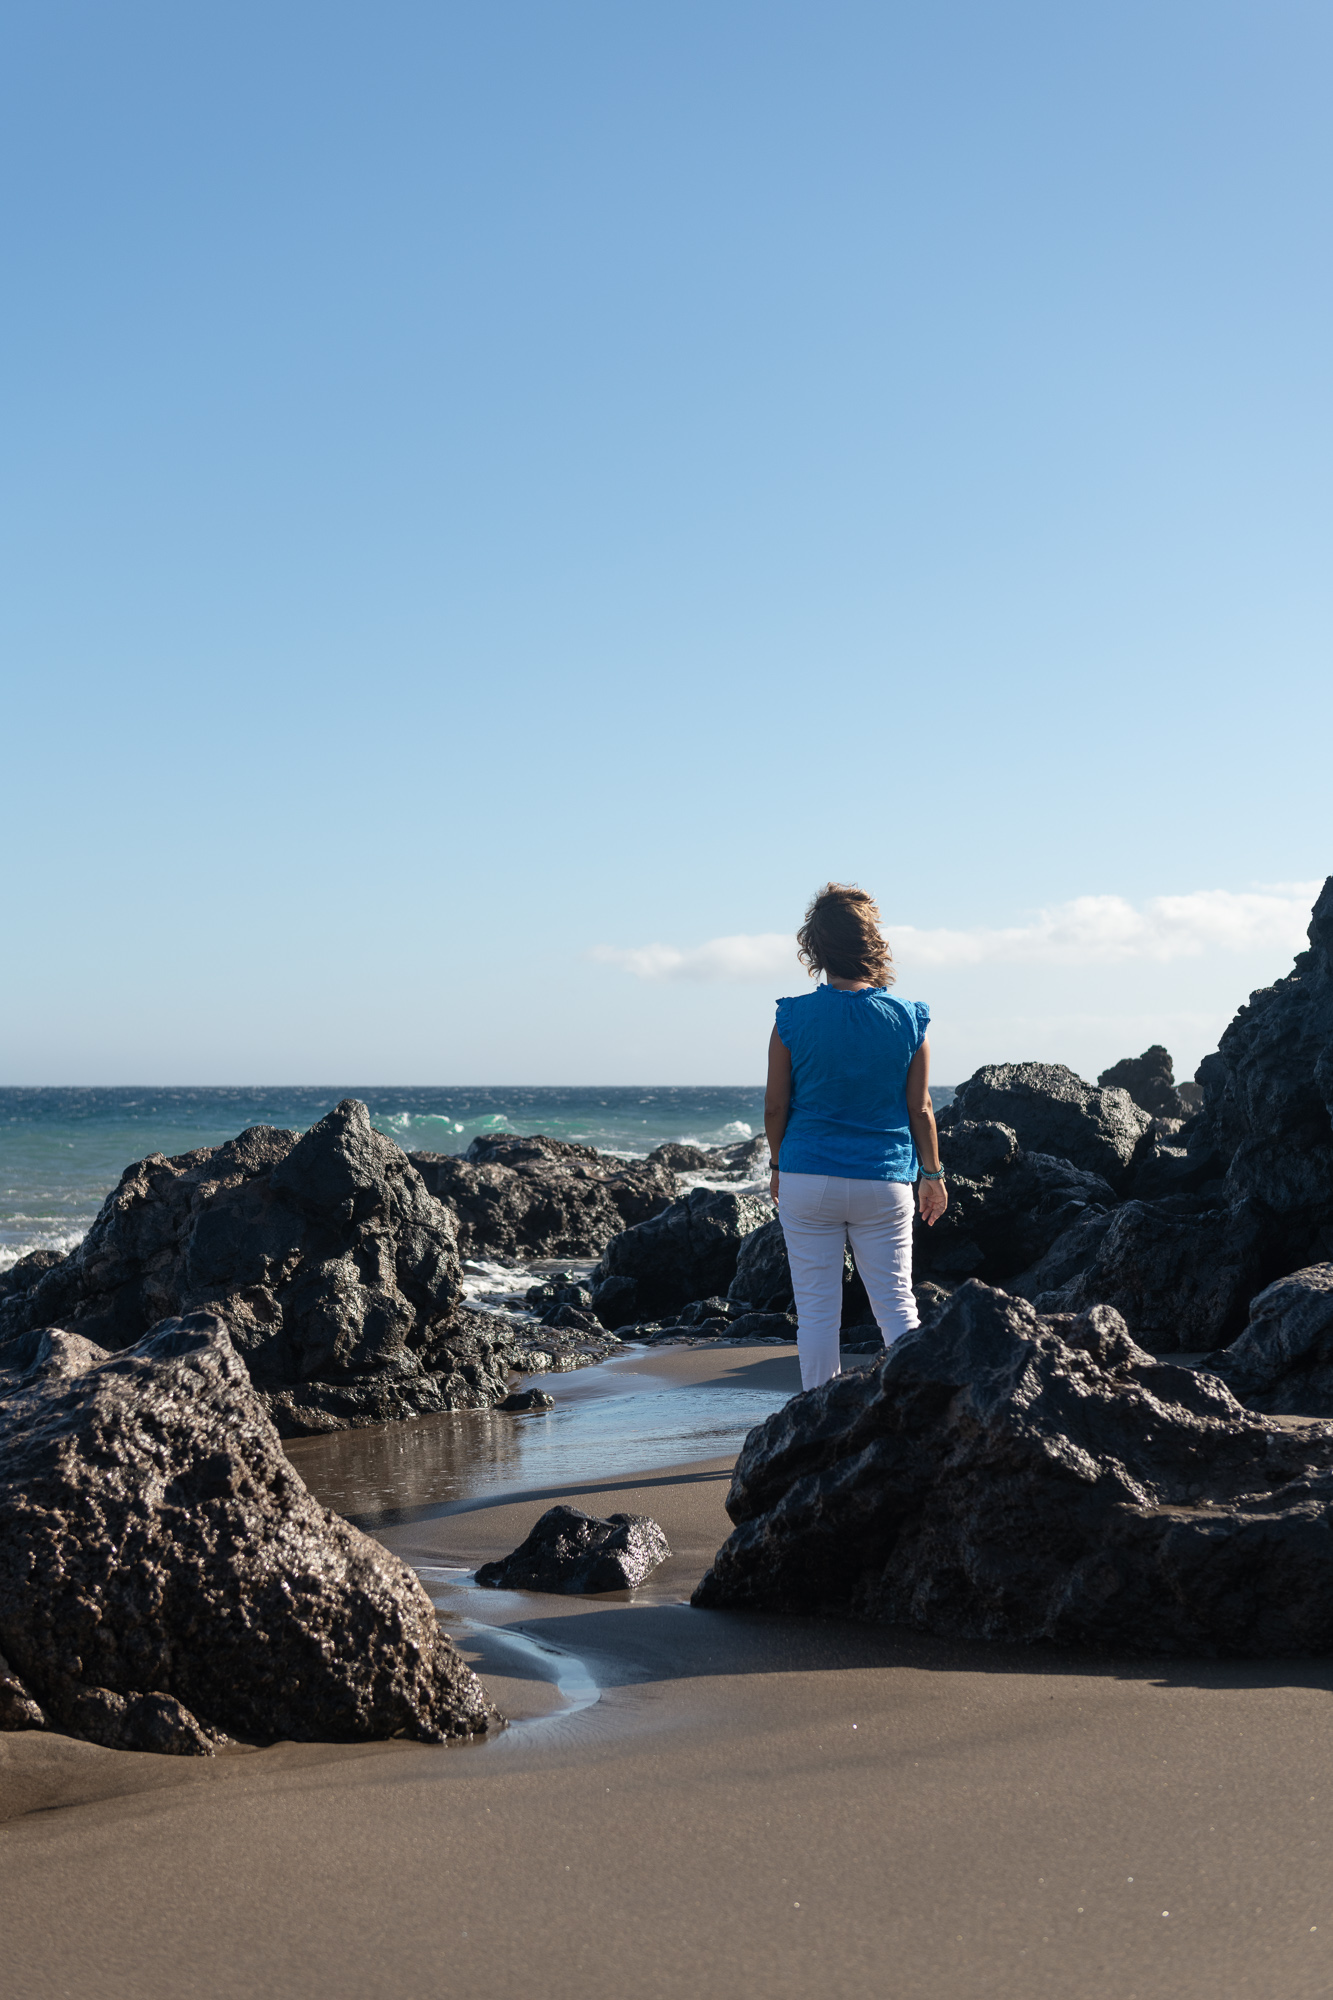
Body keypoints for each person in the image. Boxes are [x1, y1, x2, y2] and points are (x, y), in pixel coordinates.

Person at [764, 882, 947, 1392]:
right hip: (883, 1179)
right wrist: (932, 1174)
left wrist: (778, 1165)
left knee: (819, 1314)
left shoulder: (792, 1016)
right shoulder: (909, 1018)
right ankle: (918, 1413)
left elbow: (776, 1105)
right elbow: (921, 1108)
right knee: (896, 1305)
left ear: (816, 947)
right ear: (873, 942)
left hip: (806, 1176)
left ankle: (816, 1428)